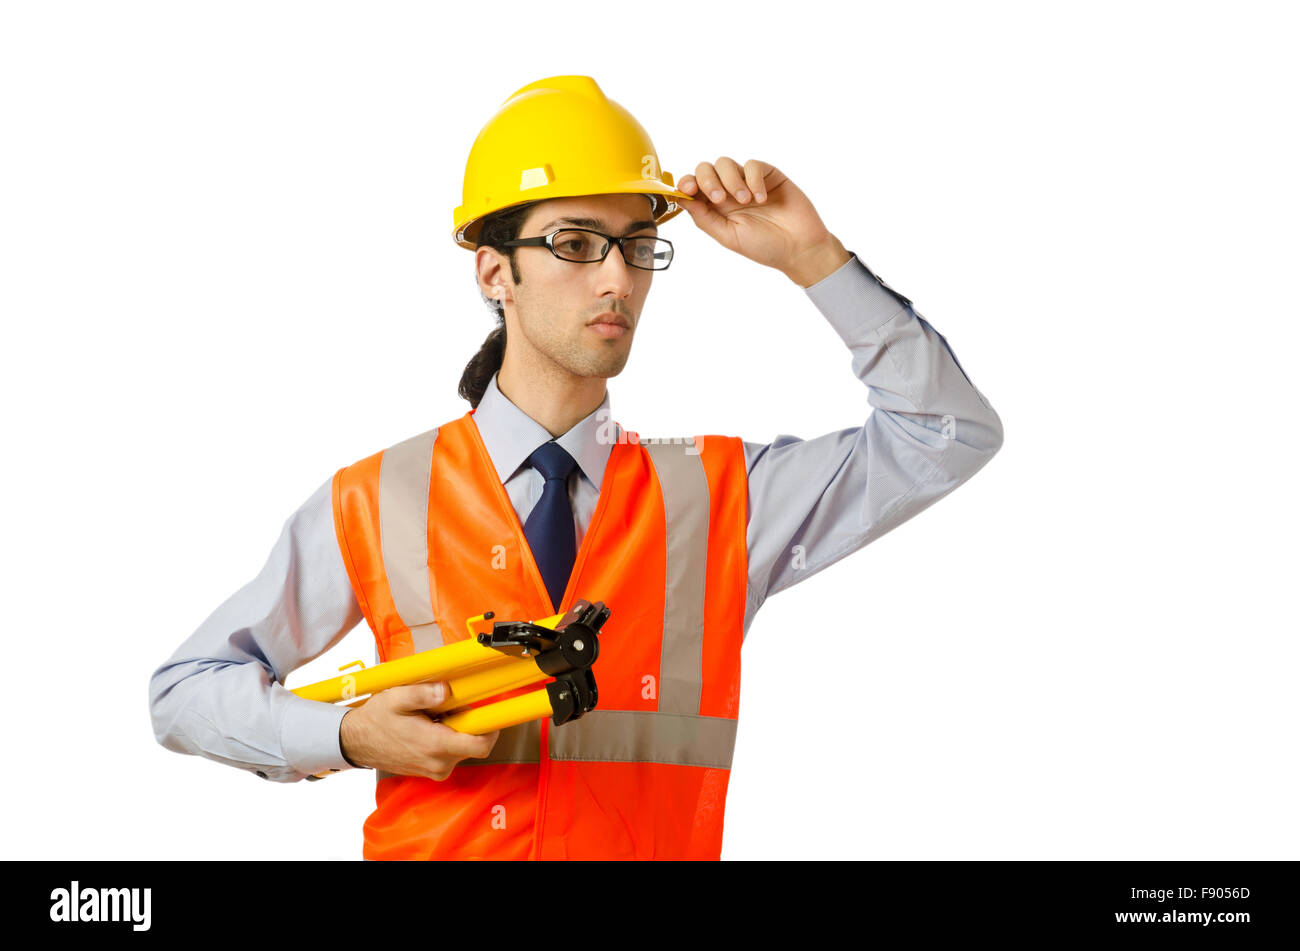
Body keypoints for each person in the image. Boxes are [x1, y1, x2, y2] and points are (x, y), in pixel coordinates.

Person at [149, 75, 1004, 860]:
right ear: (495, 271)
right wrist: (345, 735)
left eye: (636, 244)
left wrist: (814, 259)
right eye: (575, 242)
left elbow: (947, 431)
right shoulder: (379, 497)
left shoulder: (721, 497)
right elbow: (185, 692)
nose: (618, 279)